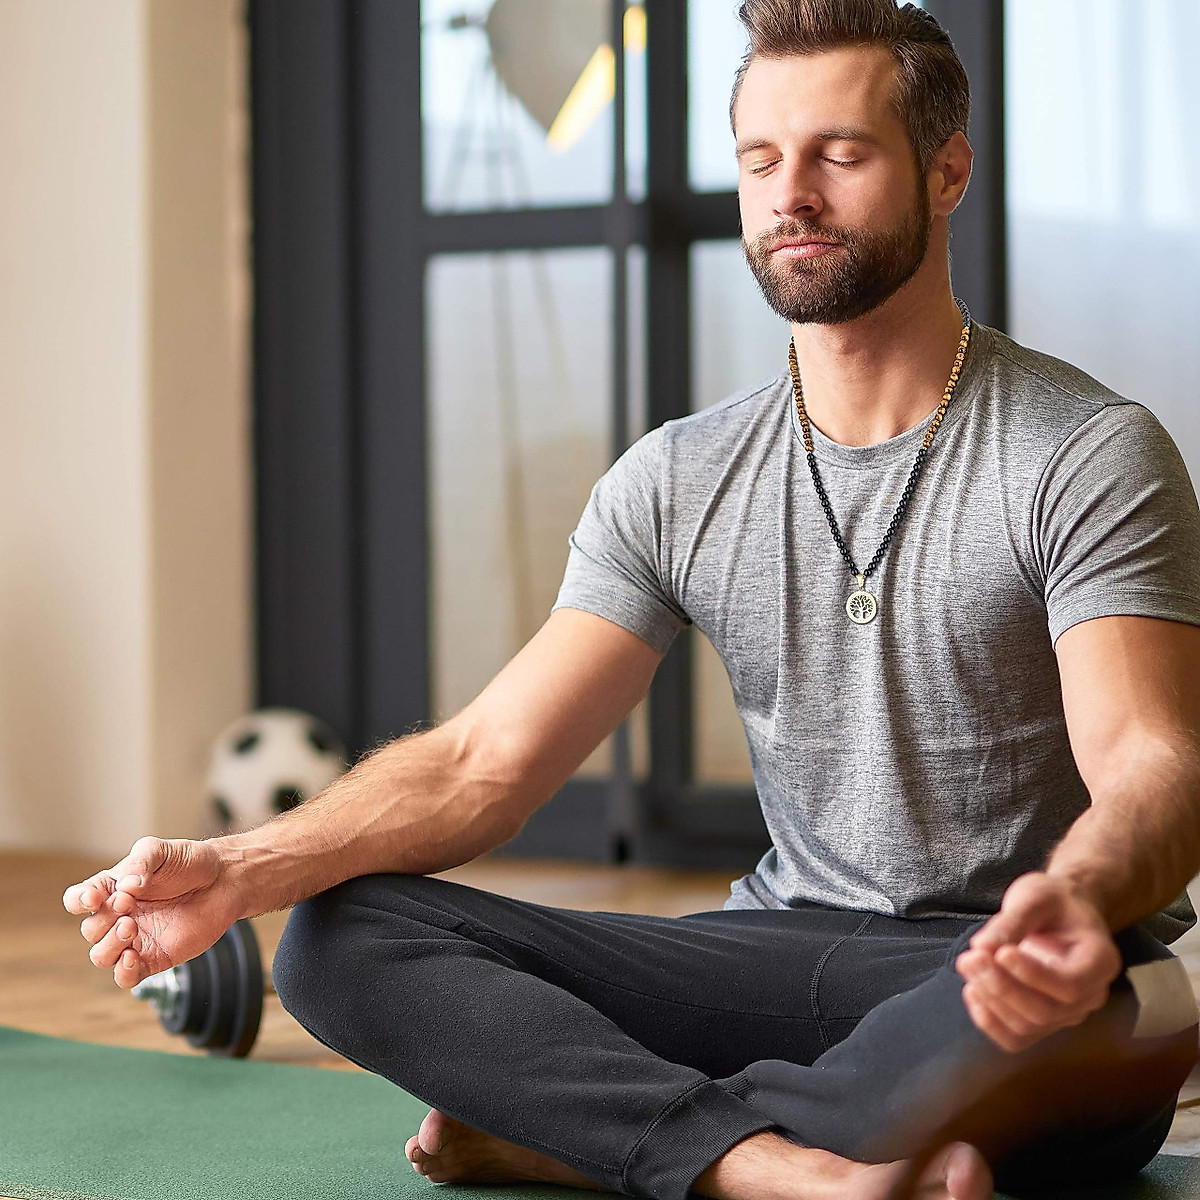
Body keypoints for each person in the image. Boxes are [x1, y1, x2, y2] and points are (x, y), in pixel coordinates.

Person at [64, 2, 1200, 1197]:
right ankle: (778, 1170)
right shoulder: (677, 478)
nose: (791, 195)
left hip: (996, 966)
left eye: (840, 154)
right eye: (762, 159)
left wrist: (1073, 897)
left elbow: (1155, 764)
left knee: (1092, 1024)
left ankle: (586, 1132)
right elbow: (483, 766)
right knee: (340, 937)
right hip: (767, 953)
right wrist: (243, 870)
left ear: (946, 171)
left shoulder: (1081, 452)